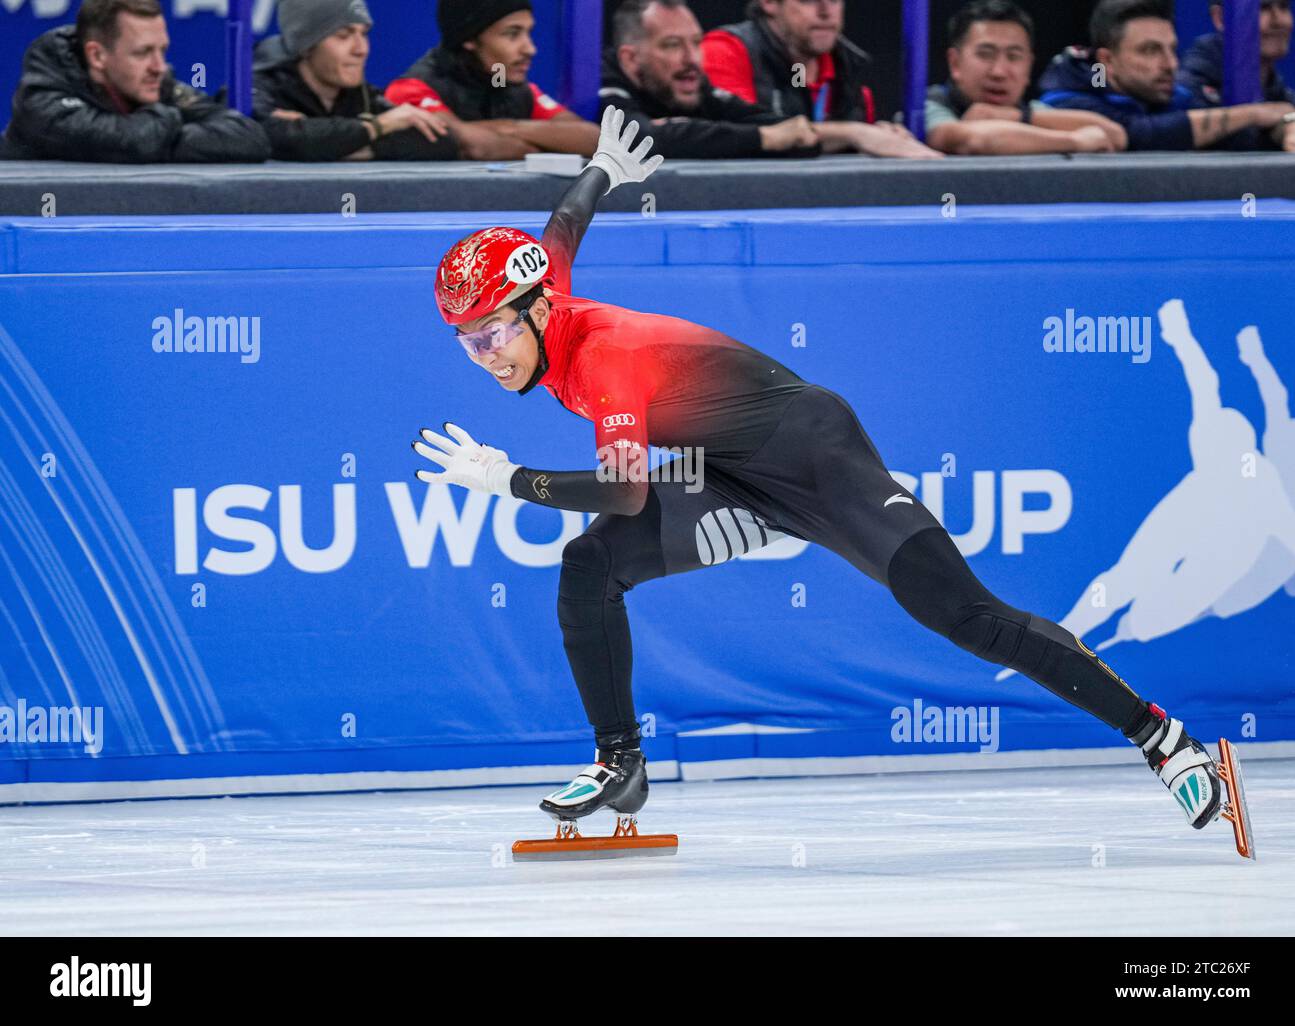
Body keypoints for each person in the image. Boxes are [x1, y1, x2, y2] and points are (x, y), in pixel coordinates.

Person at [413, 105, 1229, 841]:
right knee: (590, 565)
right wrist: (601, 171)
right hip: (724, 469)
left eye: (492, 336)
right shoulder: (540, 290)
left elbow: (625, 489)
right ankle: (619, 760)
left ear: (539, 310)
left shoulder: (606, 364)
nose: (486, 358)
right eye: (467, 342)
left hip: (815, 455)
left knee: (966, 616)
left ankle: (1164, 740)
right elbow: (559, 233)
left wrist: (510, 479)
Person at [5, 0, 270, 163]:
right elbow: (132, 141)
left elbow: (247, 135)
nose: (159, 67)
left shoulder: (153, 82)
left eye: (162, 50)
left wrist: (161, 138)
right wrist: (169, 124)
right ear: (97, 55)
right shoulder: (40, 99)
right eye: (142, 52)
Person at [252, 0, 512, 162]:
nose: (361, 49)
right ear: (306, 46)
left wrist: (332, 143)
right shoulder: (258, 88)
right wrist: (378, 127)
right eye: (344, 36)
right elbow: (269, 139)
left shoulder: (361, 96)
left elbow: (439, 143)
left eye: (364, 34)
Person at [1038, 0, 1295, 151]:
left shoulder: (1175, 96)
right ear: (1107, 60)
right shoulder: (1065, 99)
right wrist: (1254, 113)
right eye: (1150, 50)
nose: (1171, 64)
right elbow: (1136, 134)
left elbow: (1242, 136)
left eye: (1172, 49)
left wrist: (1287, 123)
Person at [701, 0, 943, 158]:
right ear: (769, 3)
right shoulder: (726, 51)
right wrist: (855, 134)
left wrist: (881, 137)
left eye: (835, 0)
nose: (826, 11)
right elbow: (737, 137)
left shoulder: (849, 67)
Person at [600, 0, 821, 159]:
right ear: (630, 59)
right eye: (672, 45)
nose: (692, 59)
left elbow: (789, 131)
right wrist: (763, 138)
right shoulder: (602, 82)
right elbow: (641, 139)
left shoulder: (692, 83)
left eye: (696, 42)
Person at [385, 0, 599, 158]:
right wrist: (549, 142)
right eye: (512, 34)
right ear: (469, 38)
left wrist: (509, 128)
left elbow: (594, 139)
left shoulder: (509, 84)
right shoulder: (412, 88)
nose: (530, 49)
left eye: (528, 32)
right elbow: (474, 146)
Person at [926, 0, 1127, 155]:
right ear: (955, 63)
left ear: (1029, 65)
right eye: (985, 54)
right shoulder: (926, 107)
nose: (999, 72)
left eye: (1014, 56)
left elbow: (1115, 136)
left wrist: (1019, 117)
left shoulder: (1030, 112)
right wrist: (1075, 142)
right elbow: (974, 141)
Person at [1179, 0, 1295, 148]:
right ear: (1221, 18)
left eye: (1284, 7)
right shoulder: (1184, 95)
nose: (1279, 21)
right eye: (1263, 8)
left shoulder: (1286, 101)